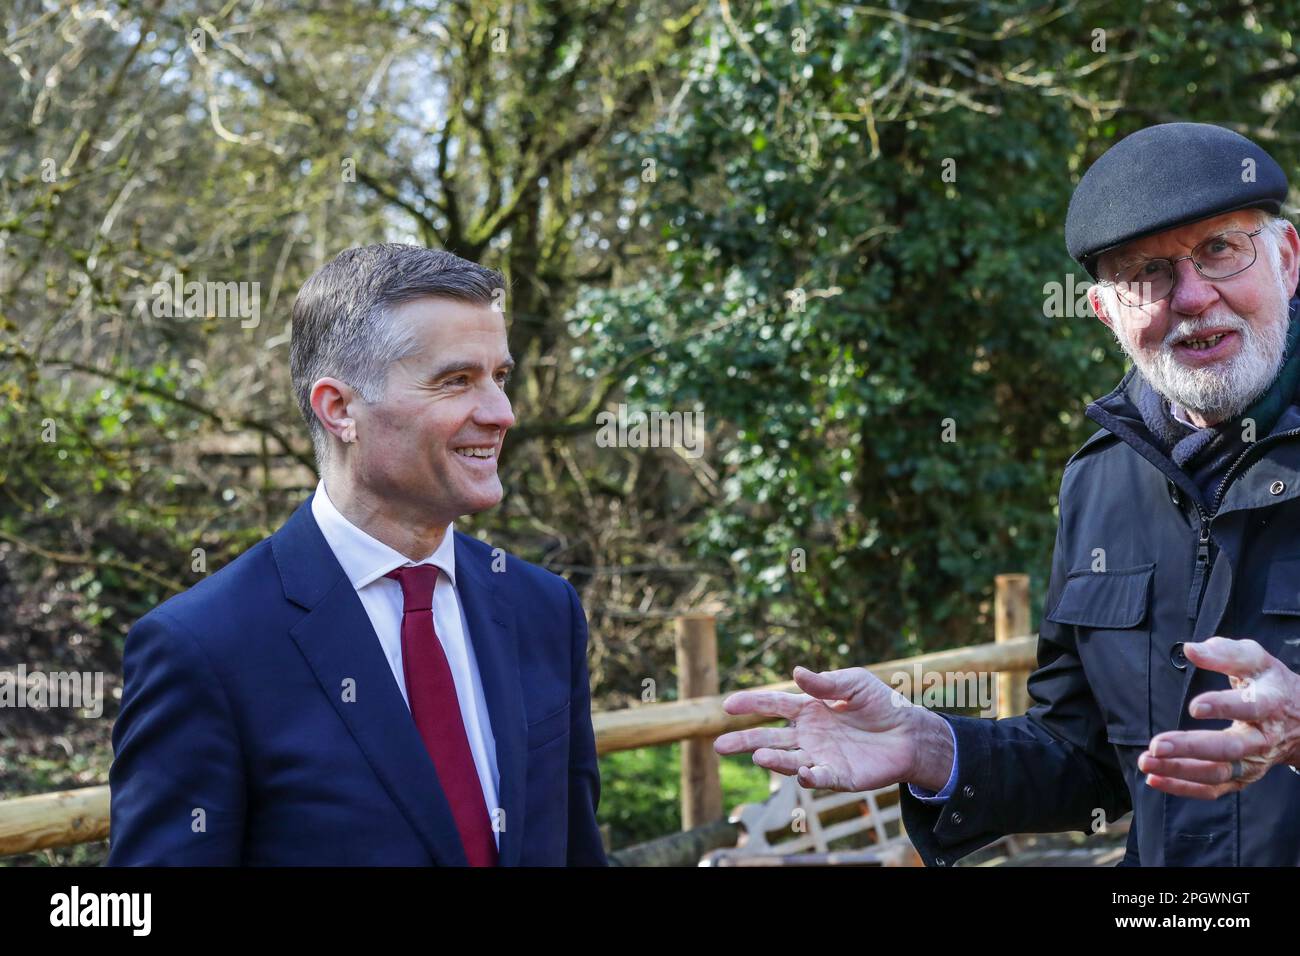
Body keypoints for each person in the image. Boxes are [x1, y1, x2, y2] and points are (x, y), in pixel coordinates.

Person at [715, 123, 1300, 866]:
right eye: (1145, 274)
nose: (1190, 296)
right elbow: (1083, 761)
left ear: (1286, 258)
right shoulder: (1100, 479)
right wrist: (929, 745)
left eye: (1220, 249)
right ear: (1106, 314)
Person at [108, 244, 606, 866]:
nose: (501, 413)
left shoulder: (544, 609)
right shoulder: (202, 647)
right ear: (340, 409)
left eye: (499, 378)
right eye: (456, 381)